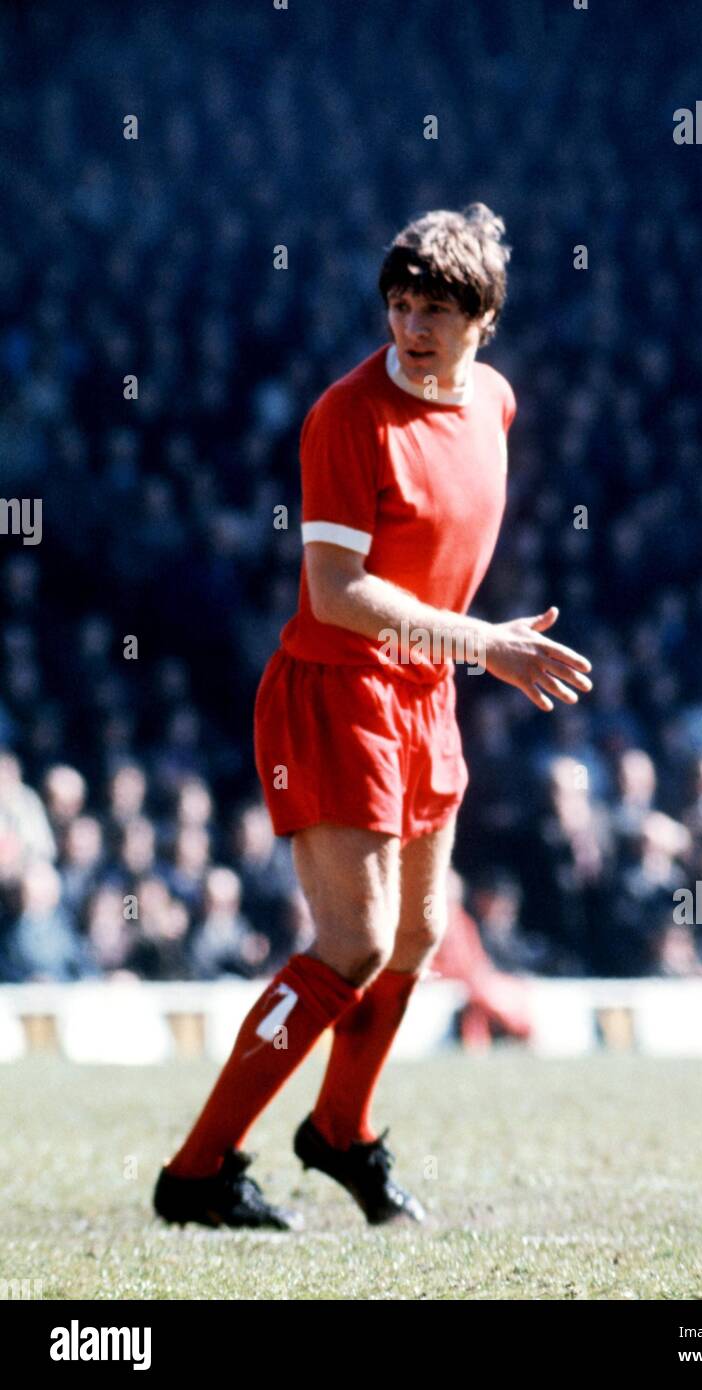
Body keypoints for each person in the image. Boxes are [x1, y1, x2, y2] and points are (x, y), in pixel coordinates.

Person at [153, 202, 592, 1232]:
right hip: (336, 689)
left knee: (418, 935)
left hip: (419, 688)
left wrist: (464, 647)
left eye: (434, 309)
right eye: (397, 305)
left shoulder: (492, 400)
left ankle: (339, 1133)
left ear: (481, 317)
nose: (409, 327)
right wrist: (483, 641)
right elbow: (336, 591)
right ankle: (196, 1171)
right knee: (350, 940)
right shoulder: (345, 417)